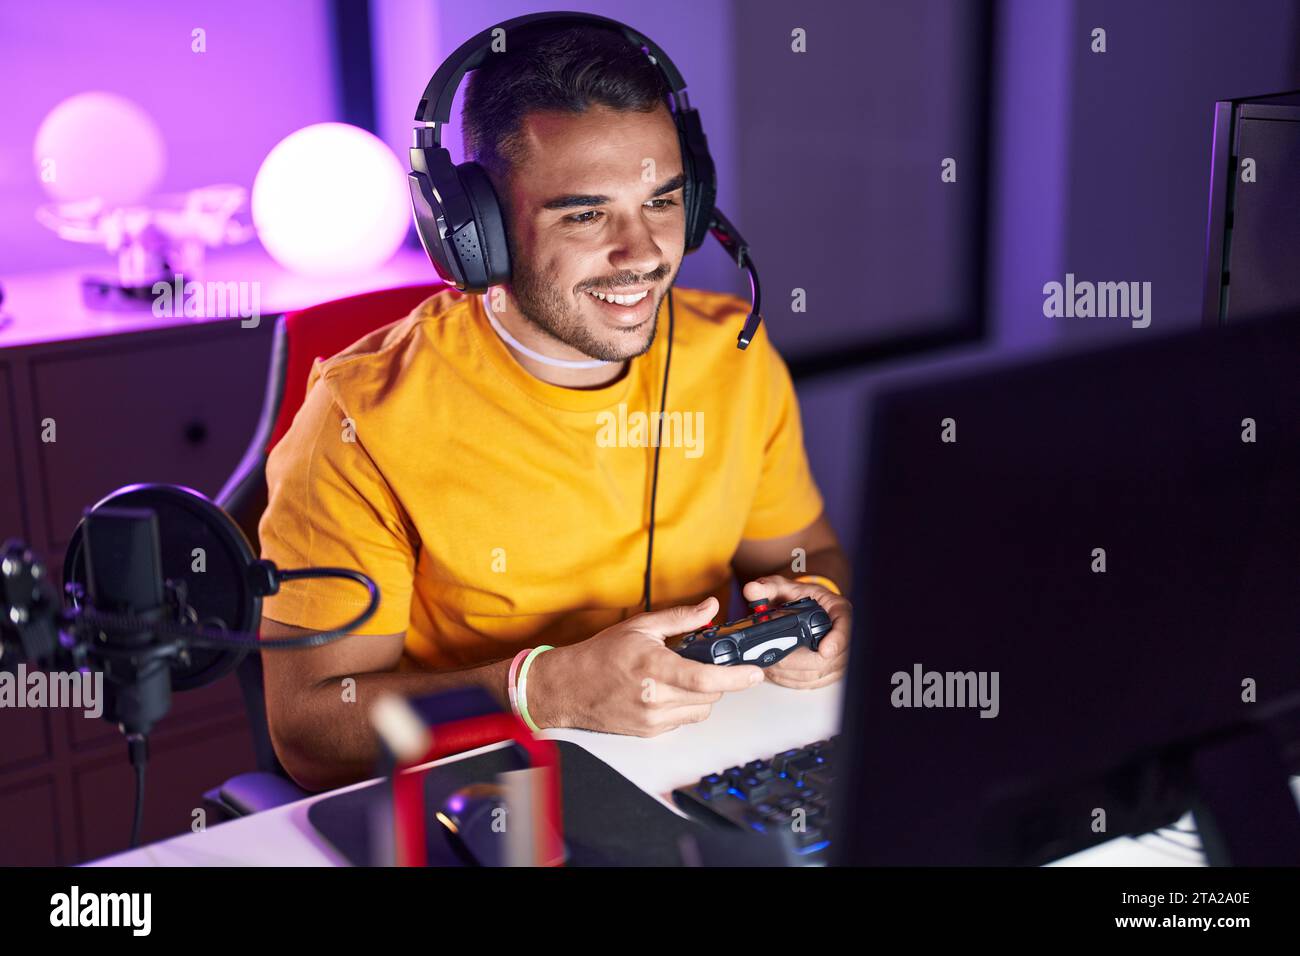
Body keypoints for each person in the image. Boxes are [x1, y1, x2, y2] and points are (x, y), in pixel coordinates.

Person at [257, 22, 853, 791]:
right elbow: (308, 728)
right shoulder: (358, 417)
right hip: (493, 802)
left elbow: (806, 557)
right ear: (478, 232)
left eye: (663, 200)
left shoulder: (732, 355)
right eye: (585, 214)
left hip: (705, 772)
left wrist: (825, 608)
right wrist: (545, 690)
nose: (642, 252)